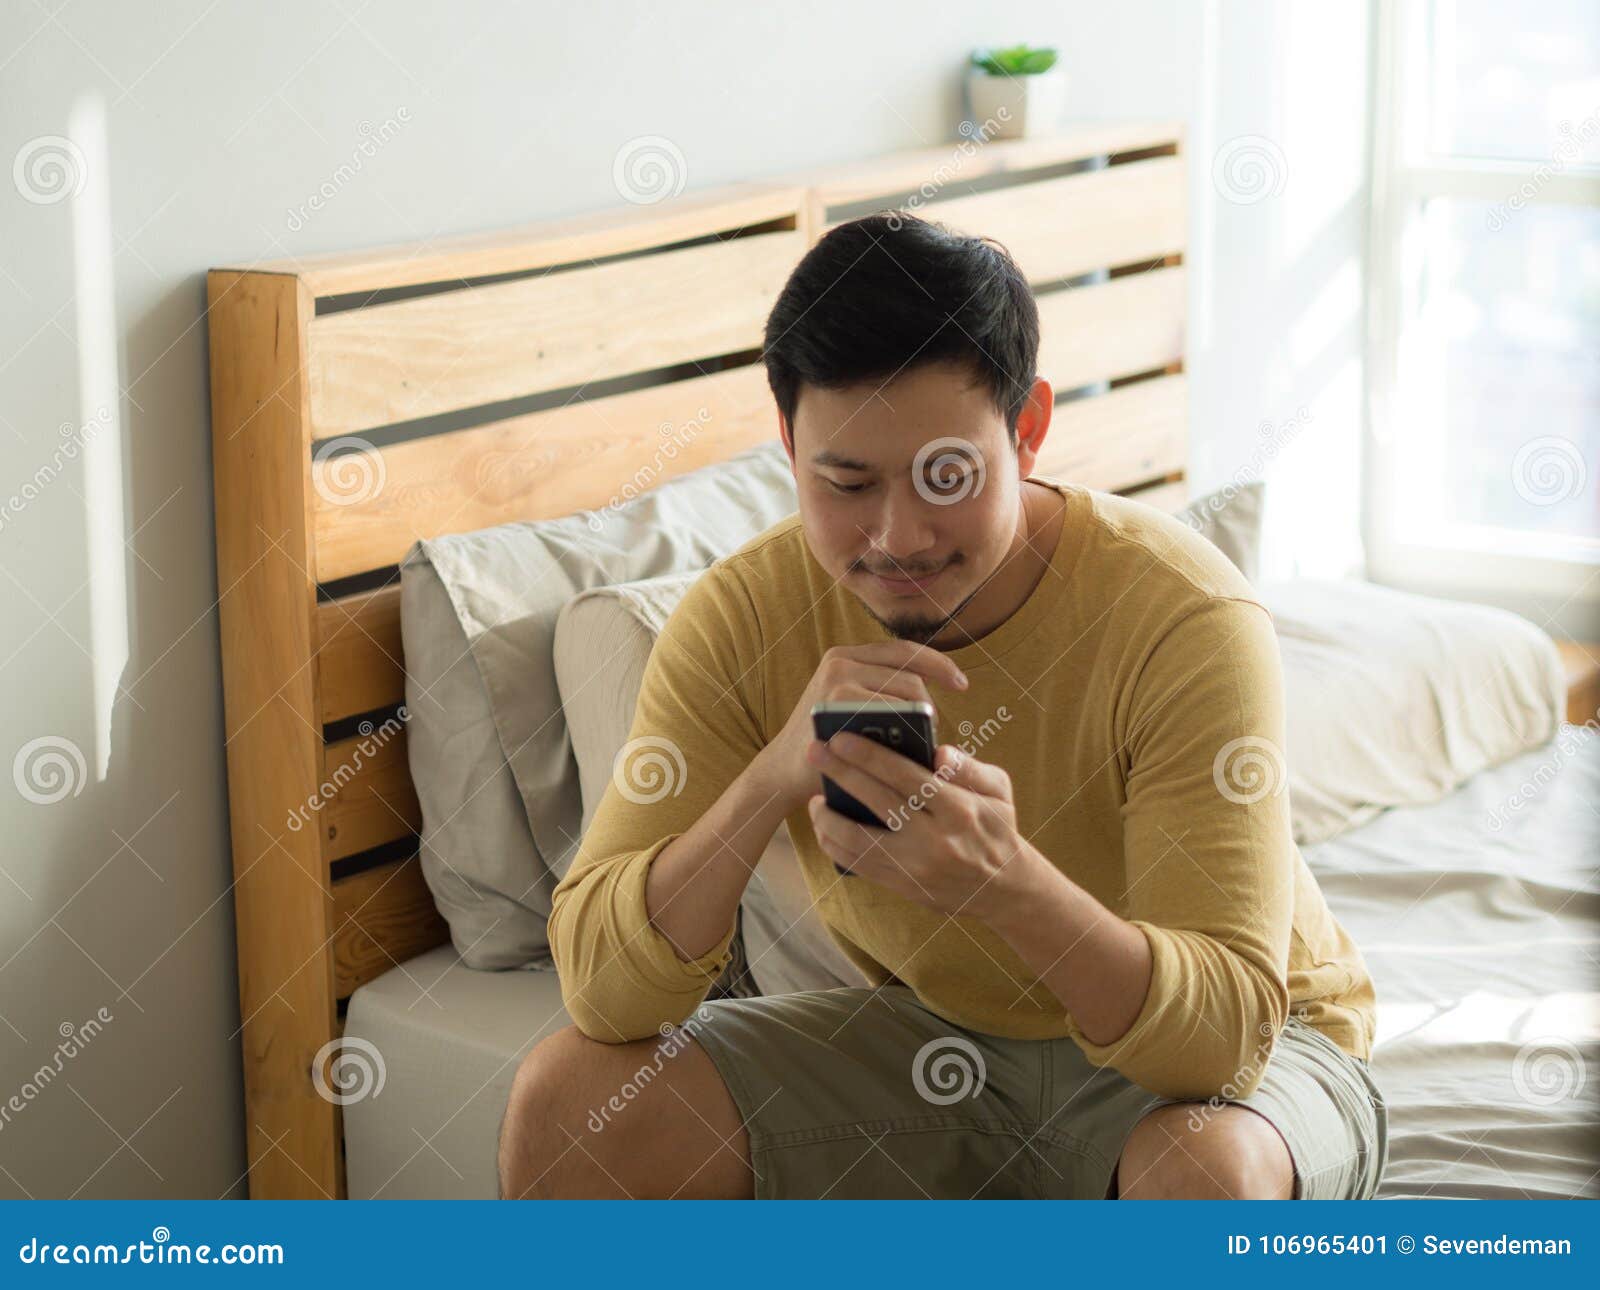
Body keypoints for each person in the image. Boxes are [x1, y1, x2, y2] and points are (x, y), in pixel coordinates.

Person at [498, 212, 1386, 1200]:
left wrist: (1005, 884)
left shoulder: (1183, 616)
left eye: (946, 477)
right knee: (572, 1100)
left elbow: (1215, 1045)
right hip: (940, 1049)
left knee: (1199, 1172)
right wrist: (771, 777)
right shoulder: (741, 619)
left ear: (1030, 428)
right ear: (790, 445)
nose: (898, 536)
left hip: (1238, 1068)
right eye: (846, 482)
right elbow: (602, 991)